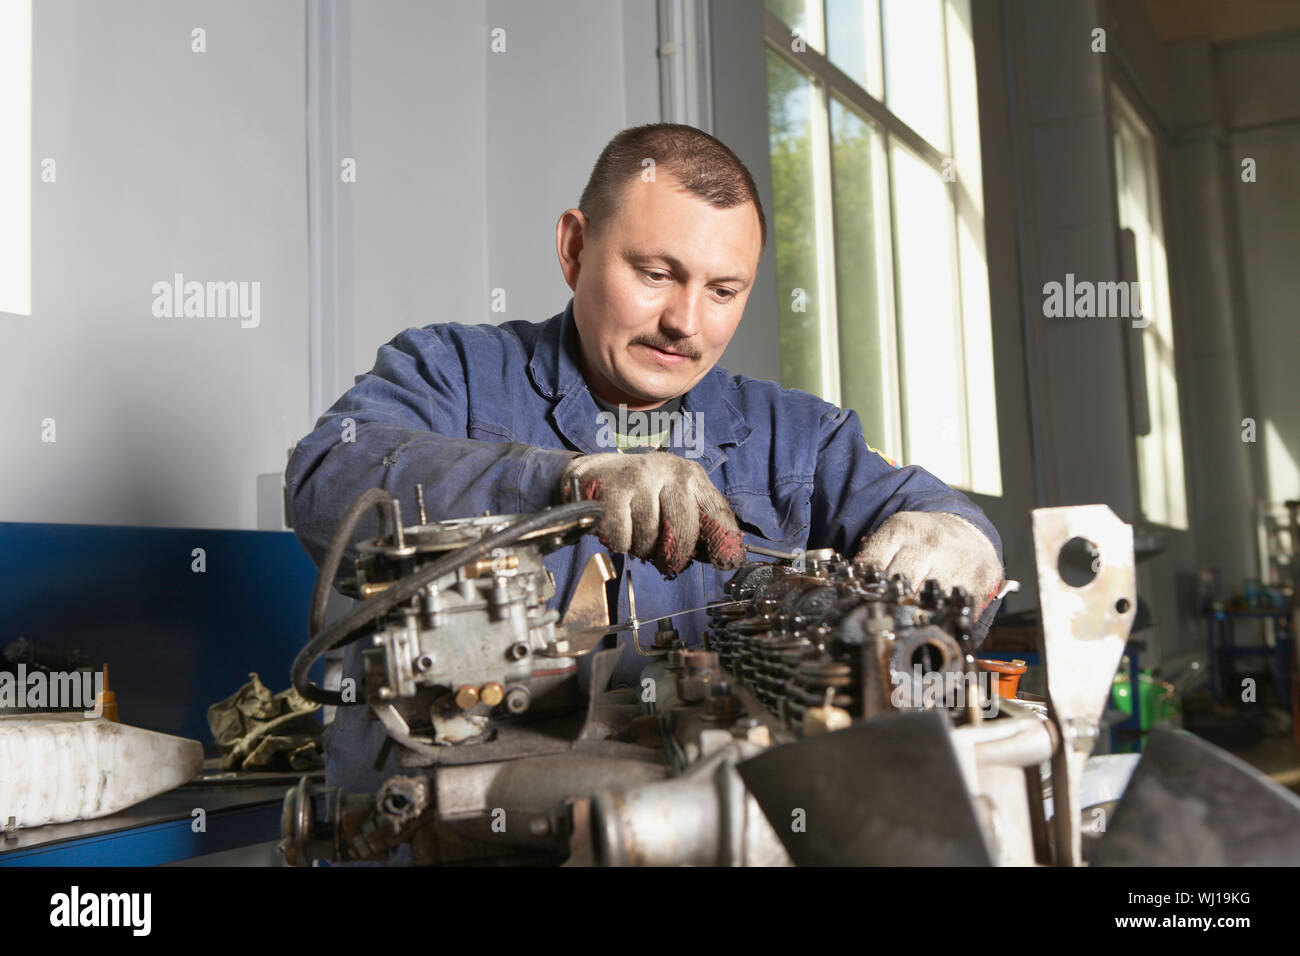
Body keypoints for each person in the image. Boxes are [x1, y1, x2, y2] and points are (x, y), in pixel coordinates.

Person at [285, 123, 1004, 801]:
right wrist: (566, 481)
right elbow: (325, 482)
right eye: (656, 273)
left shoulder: (799, 439)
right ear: (574, 248)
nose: (685, 323)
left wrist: (958, 537)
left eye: (724, 291)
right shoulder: (452, 372)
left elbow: (942, 522)